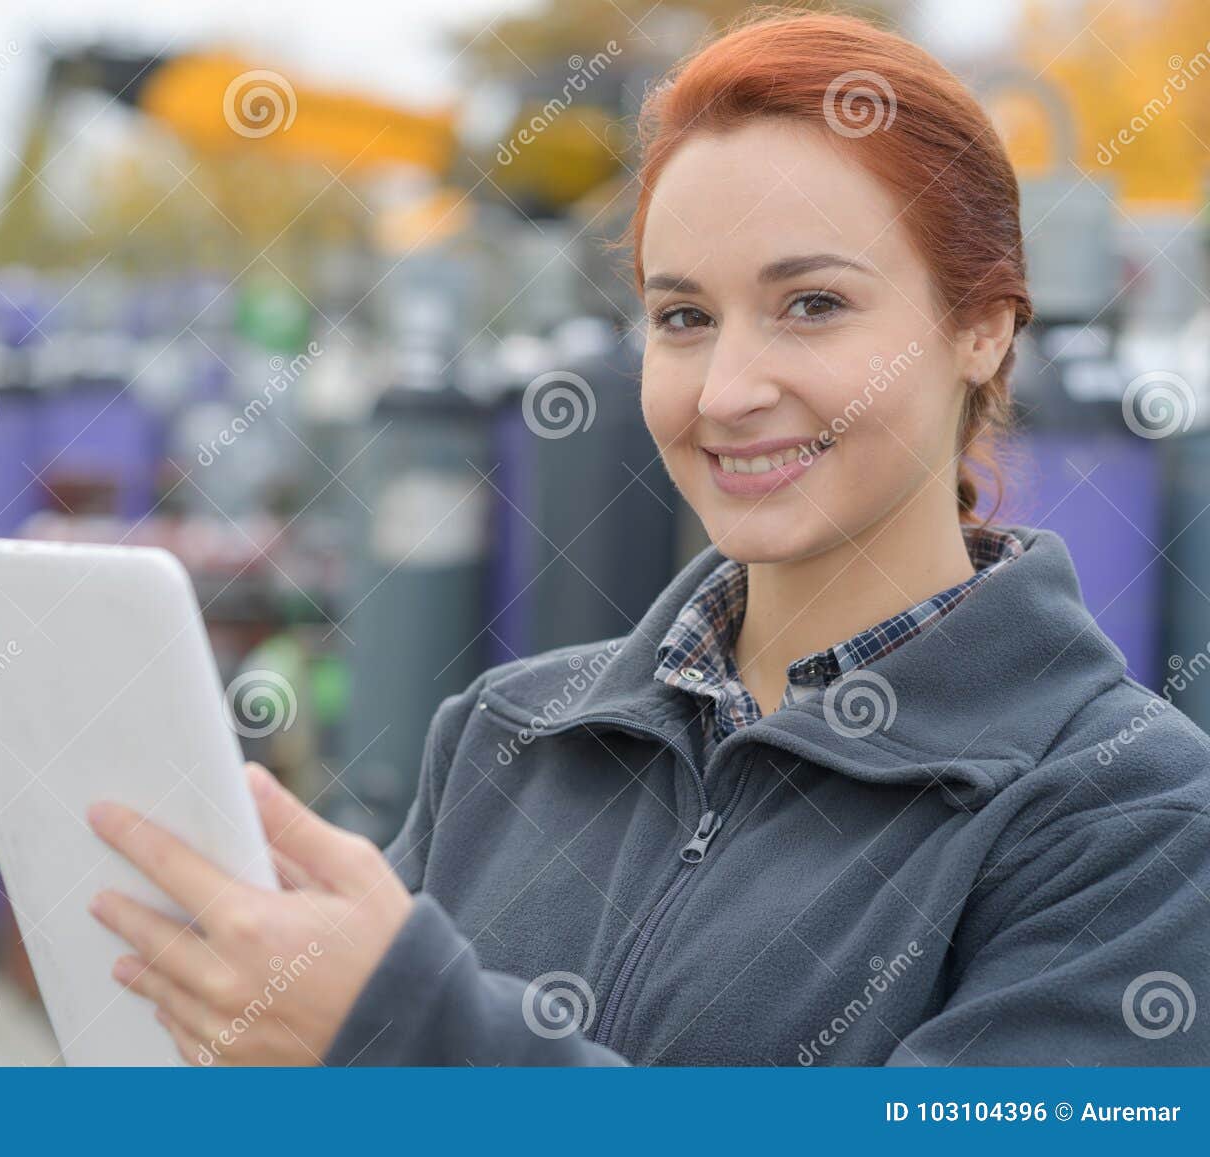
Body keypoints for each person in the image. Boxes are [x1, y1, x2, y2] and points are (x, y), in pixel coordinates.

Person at [84, 7, 1210, 1065]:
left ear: (979, 326)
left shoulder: (1130, 819)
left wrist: (416, 1036)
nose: (724, 390)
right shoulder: (506, 736)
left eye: (811, 304)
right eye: (682, 318)